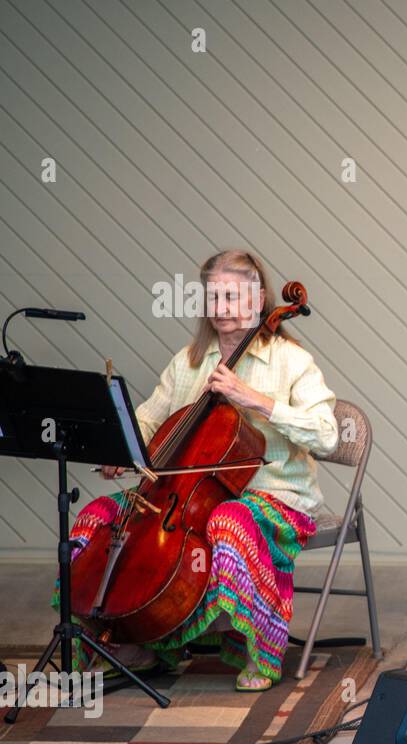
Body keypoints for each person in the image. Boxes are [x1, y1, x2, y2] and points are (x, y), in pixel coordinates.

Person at [61, 249, 338, 691]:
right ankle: (130, 644)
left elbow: (327, 436)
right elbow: (152, 418)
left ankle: (261, 651)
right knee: (96, 516)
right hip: (182, 494)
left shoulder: (291, 361)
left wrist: (255, 400)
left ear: (259, 299)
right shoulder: (189, 360)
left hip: (275, 496)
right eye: (213, 297)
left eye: (232, 296)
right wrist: (126, 450)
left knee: (229, 521)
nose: (221, 309)